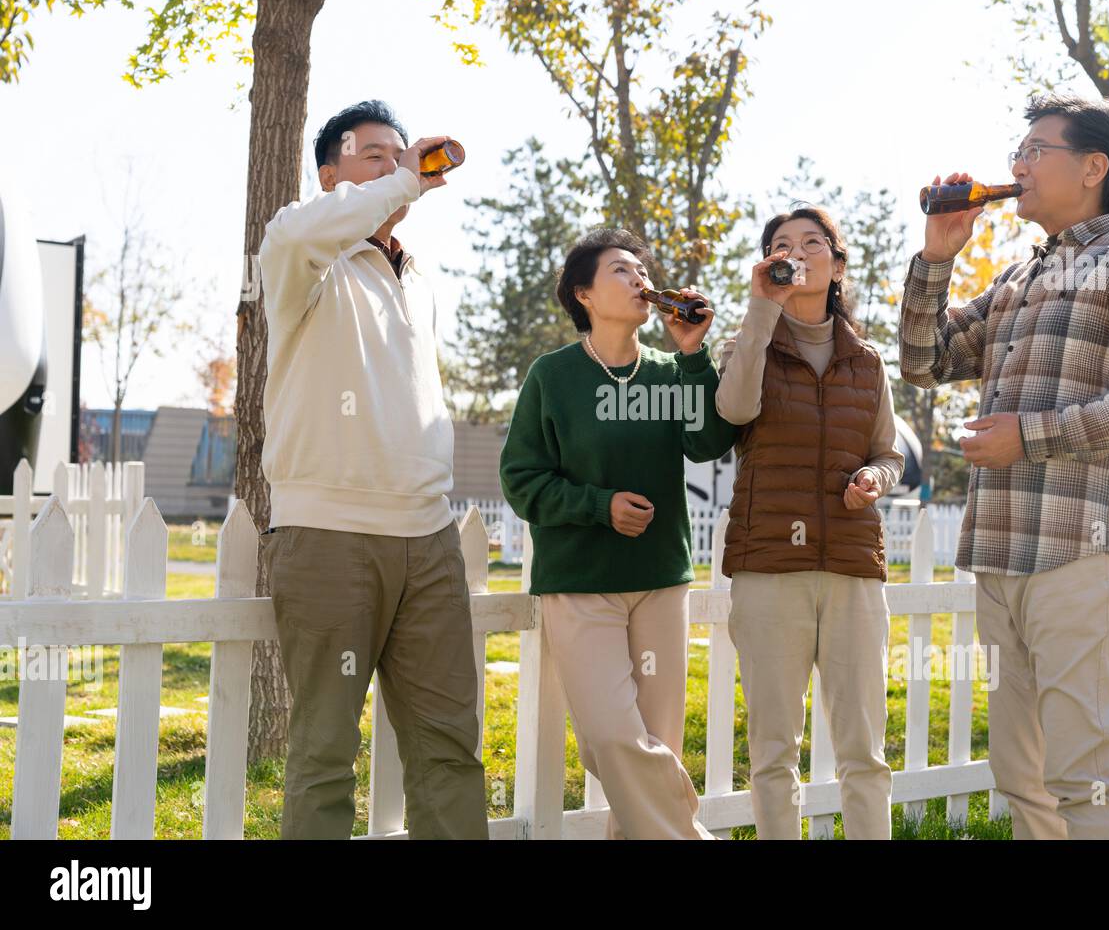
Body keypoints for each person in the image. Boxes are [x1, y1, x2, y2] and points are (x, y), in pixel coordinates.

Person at [899, 93, 1109, 839]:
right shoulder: (1016, 277)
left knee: (1084, 777)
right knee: (1022, 777)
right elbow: (923, 361)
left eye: (1037, 150)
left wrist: (1028, 436)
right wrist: (936, 258)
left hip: (1079, 547)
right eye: (1019, 149)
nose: (1017, 164)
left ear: (1094, 167)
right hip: (1001, 551)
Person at [258, 99, 488, 839]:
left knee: (450, 749)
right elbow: (301, 229)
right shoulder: (302, 256)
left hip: (428, 540)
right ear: (332, 176)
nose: (396, 167)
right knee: (325, 752)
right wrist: (407, 182)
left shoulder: (417, 279)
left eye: (401, 156)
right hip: (328, 535)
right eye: (376, 157)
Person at [499, 229, 736, 839]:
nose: (638, 280)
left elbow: (709, 442)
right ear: (584, 293)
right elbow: (522, 480)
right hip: (580, 585)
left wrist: (692, 353)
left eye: (641, 270)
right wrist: (598, 507)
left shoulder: (668, 371)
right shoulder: (553, 377)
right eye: (620, 271)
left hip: (660, 582)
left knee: (654, 748)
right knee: (613, 739)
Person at [715, 206, 905, 840]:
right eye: (780, 245)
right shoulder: (747, 344)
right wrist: (760, 310)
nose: (796, 252)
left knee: (865, 750)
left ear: (836, 262)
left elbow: (889, 451)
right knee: (774, 751)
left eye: (811, 242)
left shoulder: (868, 362)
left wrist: (876, 478)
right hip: (769, 566)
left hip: (852, 566)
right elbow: (736, 409)